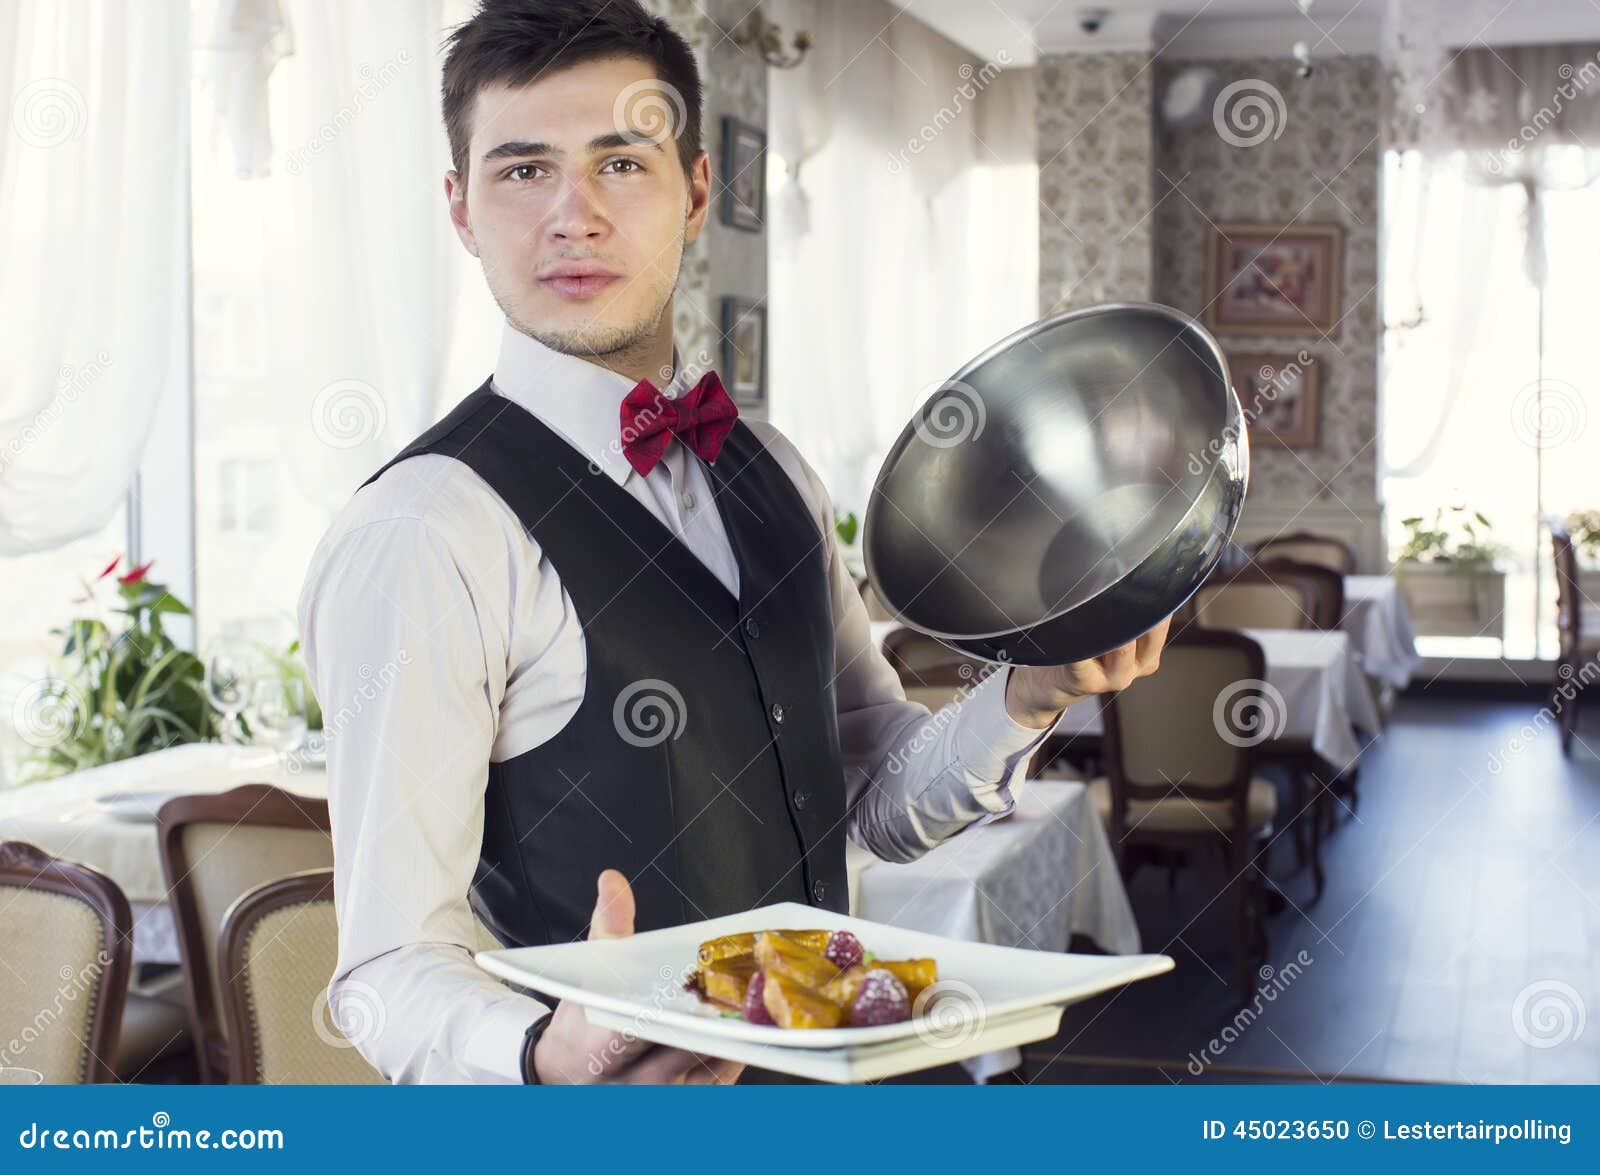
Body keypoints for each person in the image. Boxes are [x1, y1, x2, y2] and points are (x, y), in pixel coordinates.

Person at [296, 0, 1171, 1086]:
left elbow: (877, 800)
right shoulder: (424, 530)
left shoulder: (775, 467)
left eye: (620, 163)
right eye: (523, 170)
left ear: (697, 191)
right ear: (461, 209)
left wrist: (1029, 692)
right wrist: (539, 1052)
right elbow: (385, 965)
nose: (572, 214)